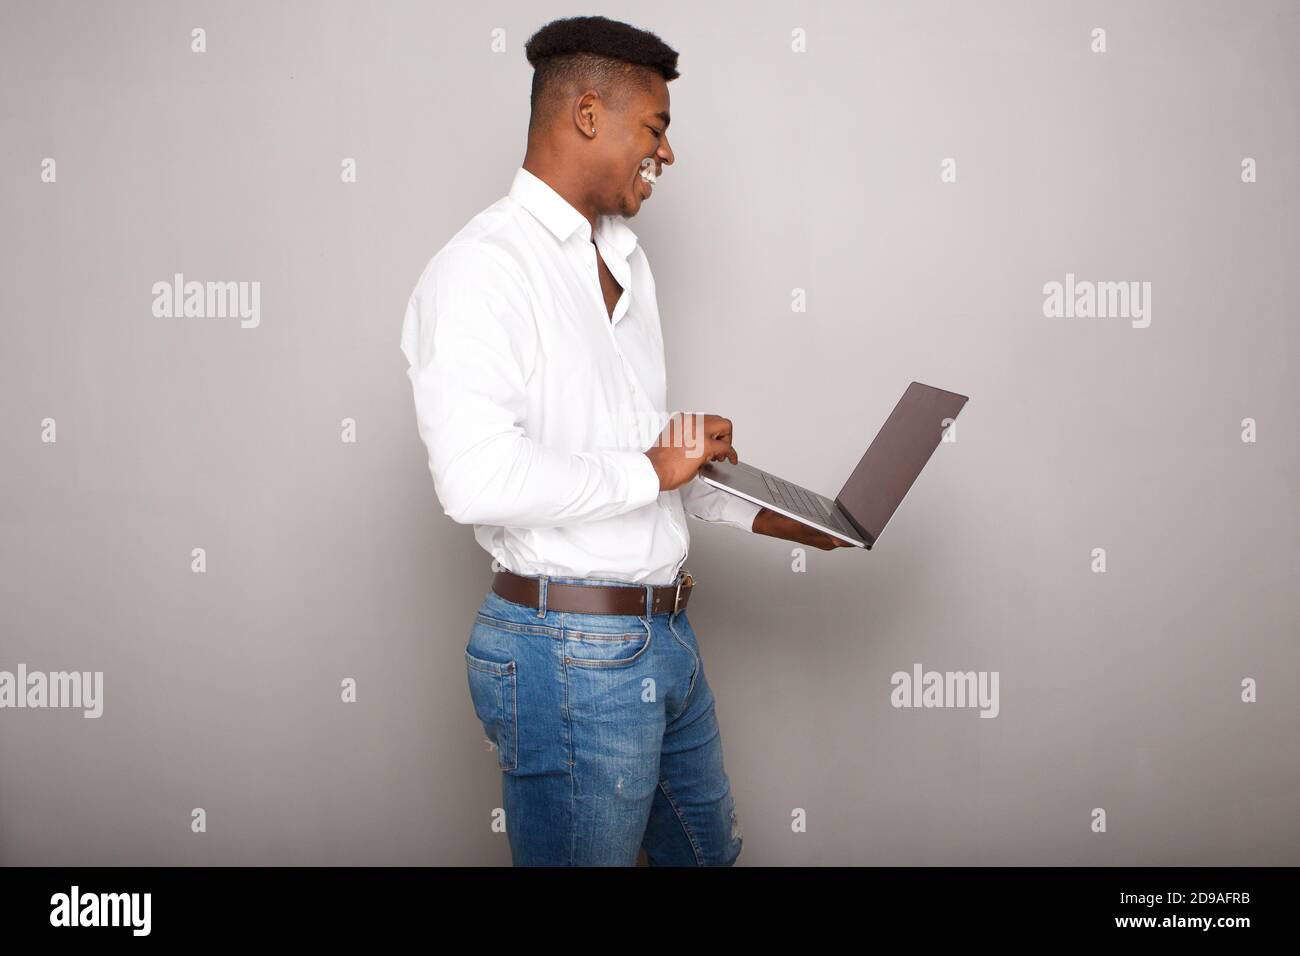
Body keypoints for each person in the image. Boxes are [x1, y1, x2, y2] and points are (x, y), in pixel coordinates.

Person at [399, 14, 854, 867]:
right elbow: (475, 477)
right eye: (656, 127)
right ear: (586, 114)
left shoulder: (628, 261)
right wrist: (651, 464)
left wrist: (778, 514)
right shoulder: (481, 271)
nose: (667, 153)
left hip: (665, 637)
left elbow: (637, 466)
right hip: (566, 658)